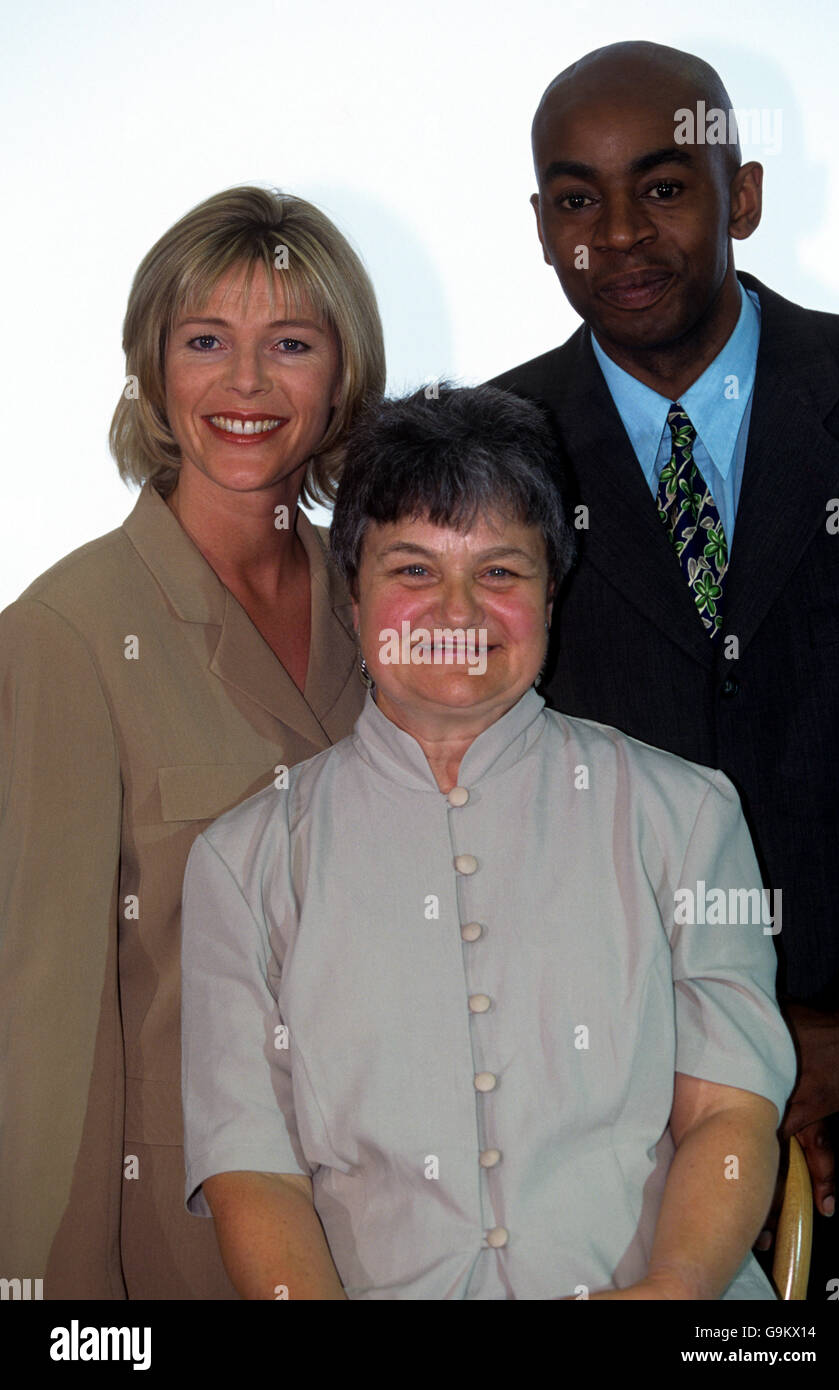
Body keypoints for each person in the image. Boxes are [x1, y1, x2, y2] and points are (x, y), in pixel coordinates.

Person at [180, 385, 795, 1300]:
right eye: (414, 571)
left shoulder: (686, 816)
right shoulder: (246, 860)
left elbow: (727, 1112)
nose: (458, 613)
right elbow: (252, 1169)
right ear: (353, 593)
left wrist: (671, 1293)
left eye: (501, 572)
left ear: (555, 590)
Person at [489, 40, 839, 1298]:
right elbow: (467, 794)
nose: (615, 234)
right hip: (605, 1136)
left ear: (740, 195)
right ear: (539, 227)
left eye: (661, 187)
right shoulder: (481, 463)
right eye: (575, 199)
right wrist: (688, 1061)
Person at [0, 185, 385, 1298]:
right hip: (186, 1251)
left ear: (342, 372)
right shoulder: (63, 638)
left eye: (292, 343)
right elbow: (46, 1035)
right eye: (205, 340)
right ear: (152, 368)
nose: (247, 384)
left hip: (407, 1230)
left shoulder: (390, 605)